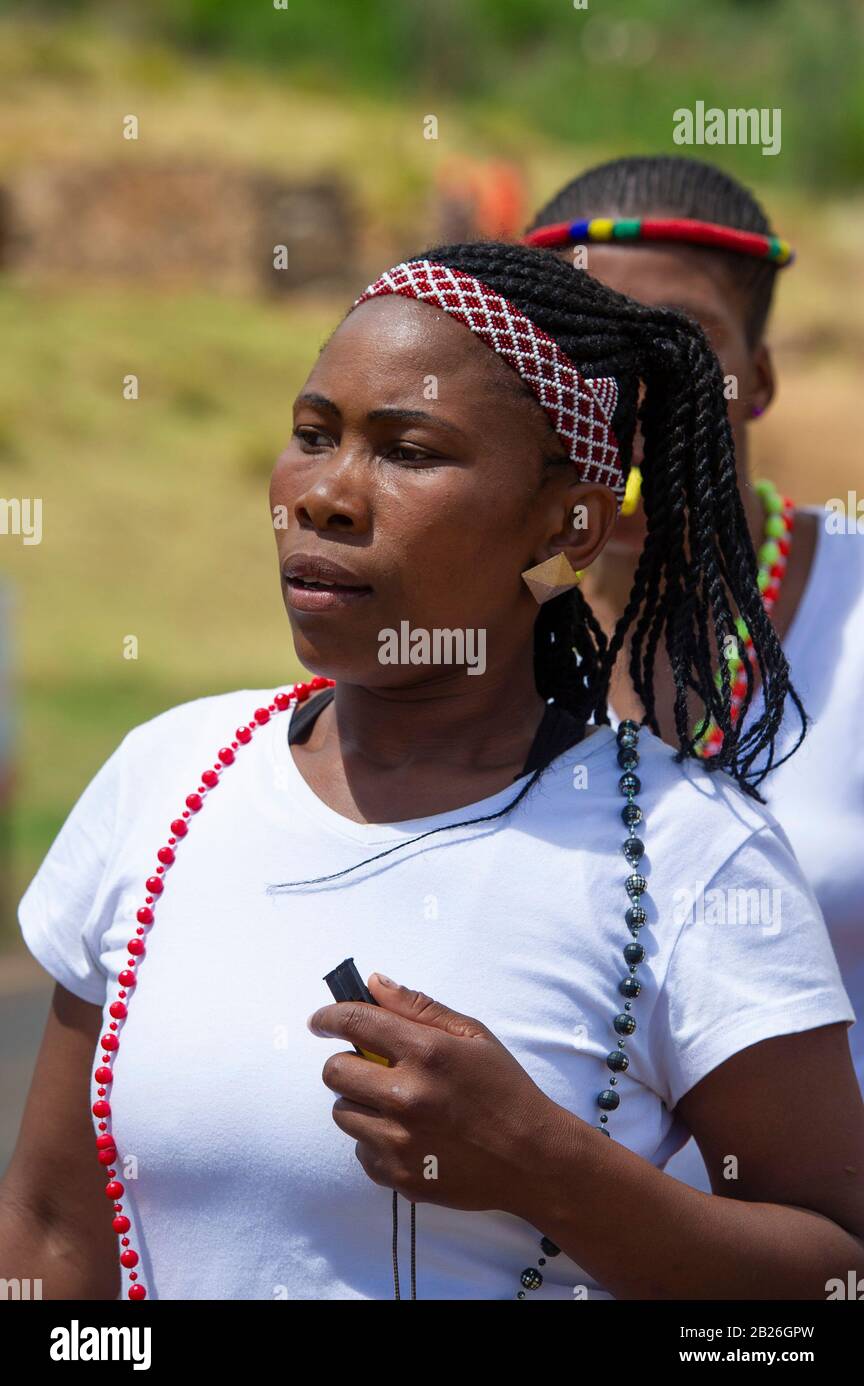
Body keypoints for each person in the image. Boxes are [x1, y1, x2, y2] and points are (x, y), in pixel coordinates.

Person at [3, 243, 863, 1302]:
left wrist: (544, 1165)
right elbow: (49, 1229)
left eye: (408, 451)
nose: (323, 495)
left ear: (566, 522)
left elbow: (839, 1273)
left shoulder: (686, 849)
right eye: (312, 435)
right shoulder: (167, 780)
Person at [525, 154, 864, 1194]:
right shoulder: (459, 635)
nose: (628, 385)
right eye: (581, 341)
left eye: (685, 342)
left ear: (757, 377)